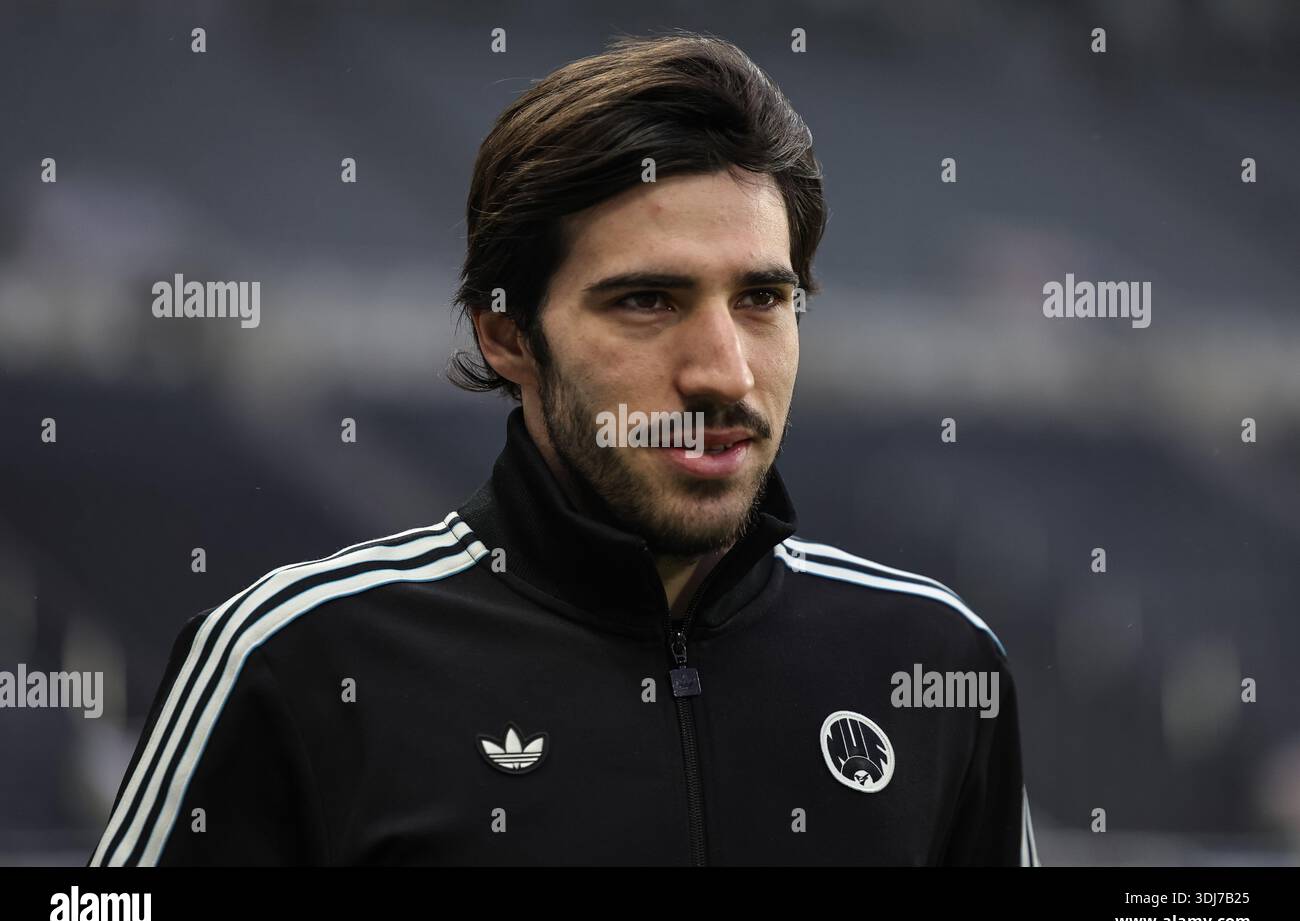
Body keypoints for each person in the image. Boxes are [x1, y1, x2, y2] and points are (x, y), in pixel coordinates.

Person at [89, 31, 1039, 866]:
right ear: (506, 335)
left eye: (762, 300)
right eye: (646, 300)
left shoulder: (937, 661)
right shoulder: (289, 658)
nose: (724, 373)